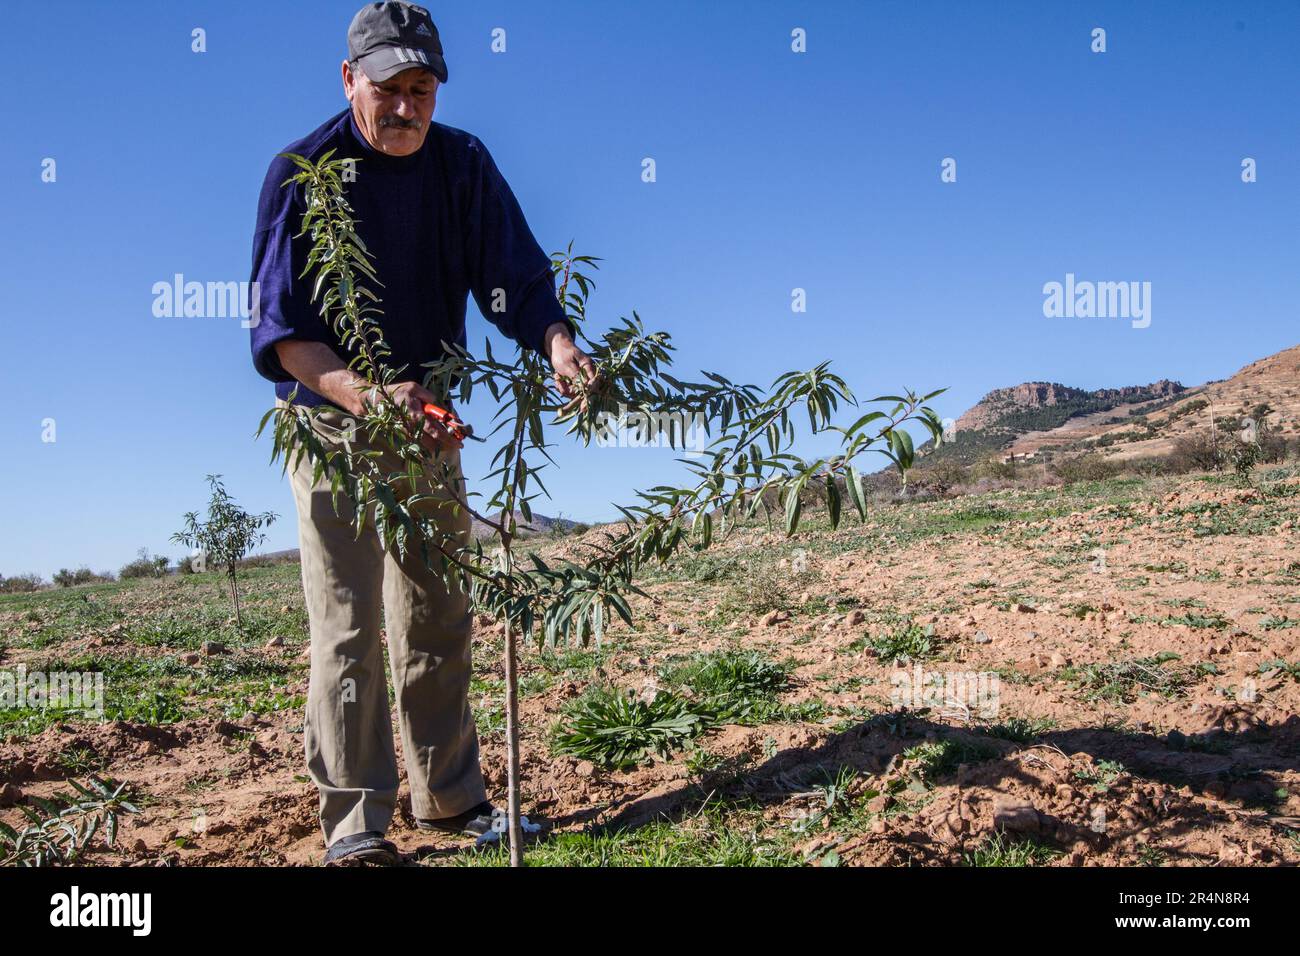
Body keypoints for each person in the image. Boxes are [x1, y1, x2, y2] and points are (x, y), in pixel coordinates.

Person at [248, 0, 597, 865]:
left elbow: (513, 271)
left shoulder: (461, 163)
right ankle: (357, 827)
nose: (405, 108)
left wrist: (556, 341)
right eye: (388, 89)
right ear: (348, 80)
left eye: (422, 90)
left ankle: (449, 798)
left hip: (430, 424)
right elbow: (282, 334)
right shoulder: (304, 173)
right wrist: (368, 396)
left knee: (440, 609)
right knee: (348, 623)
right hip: (332, 424)